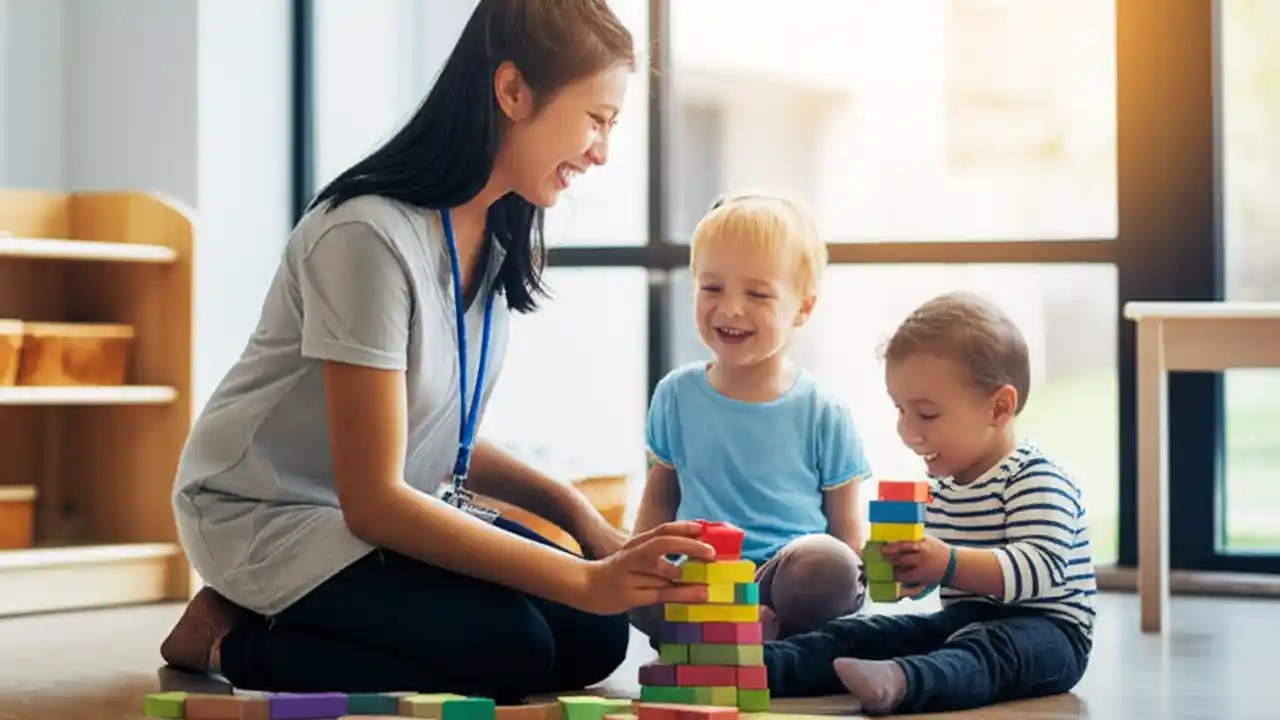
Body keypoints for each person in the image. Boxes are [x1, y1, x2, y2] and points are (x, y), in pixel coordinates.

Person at [158, 0, 714, 701]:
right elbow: (376, 503)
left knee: (594, 636)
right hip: (267, 513)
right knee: (508, 651)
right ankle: (229, 633)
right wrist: (583, 575)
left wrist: (582, 522)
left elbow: (433, 436)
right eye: (596, 119)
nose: (602, 150)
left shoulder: (497, 234)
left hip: (377, 507)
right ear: (513, 92)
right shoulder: (366, 237)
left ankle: (324, 617)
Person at [763, 291, 1096, 714]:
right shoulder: (943, 487)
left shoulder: (1036, 477)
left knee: (987, 650)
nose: (908, 431)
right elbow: (941, 573)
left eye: (927, 414)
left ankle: (904, 681)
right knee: (863, 634)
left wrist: (947, 562)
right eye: (901, 410)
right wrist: (908, 573)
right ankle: (758, 665)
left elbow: (1039, 572)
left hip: (1051, 635)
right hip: (965, 622)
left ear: (999, 408)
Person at [631, 193, 871, 643]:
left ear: (803, 308)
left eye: (758, 293)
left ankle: (757, 629)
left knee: (830, 566)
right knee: (637, 591)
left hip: (784, 578)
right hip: (703, 579)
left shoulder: (824, 410)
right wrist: (636, 563)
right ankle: (739, 632)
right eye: (712, 288)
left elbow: (847, 533)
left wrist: (854, 594)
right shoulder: (675, 395)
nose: (731, 309)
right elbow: (659, 501)